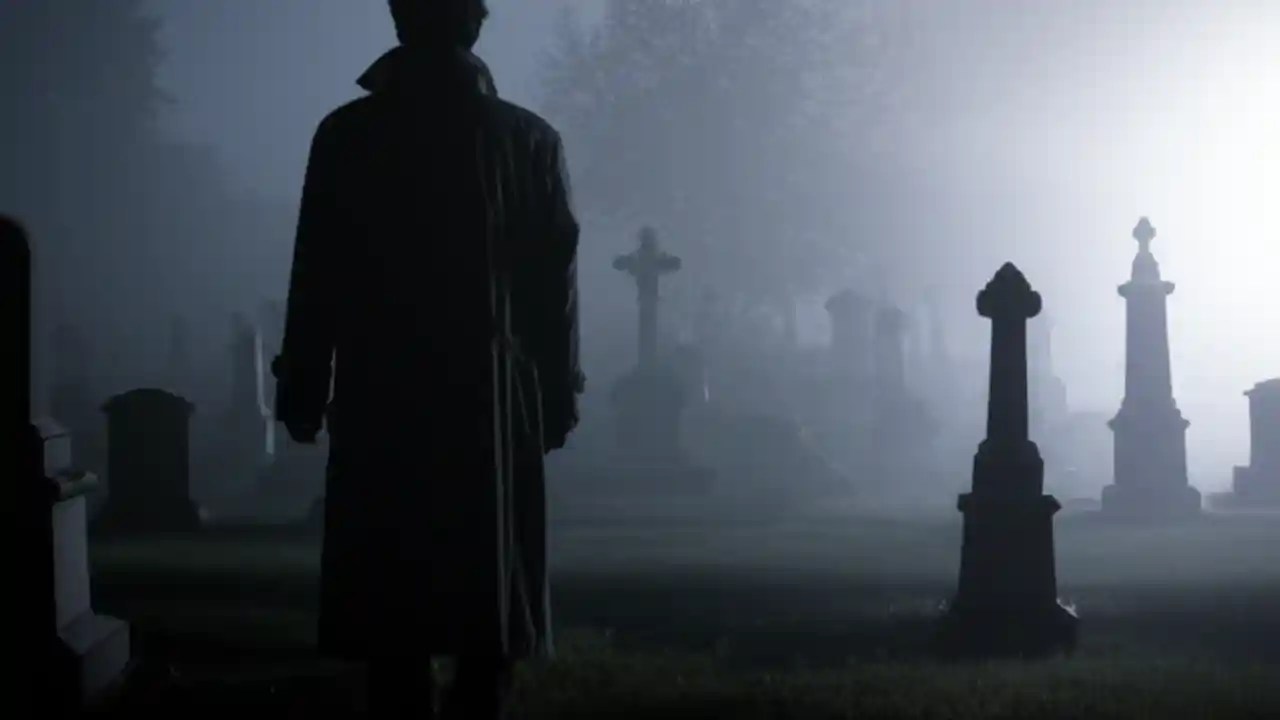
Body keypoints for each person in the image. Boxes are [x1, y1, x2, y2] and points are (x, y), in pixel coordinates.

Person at [271, 0, 583, 716]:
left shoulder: (349, 136)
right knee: (486, 613)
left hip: (387, 392)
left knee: (394, 614)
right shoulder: (528, 139)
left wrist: (305, 382)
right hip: (490, 396)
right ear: (473, 25)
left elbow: (316, 271)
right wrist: (559, 391)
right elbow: (550, 288)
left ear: (400, 21)